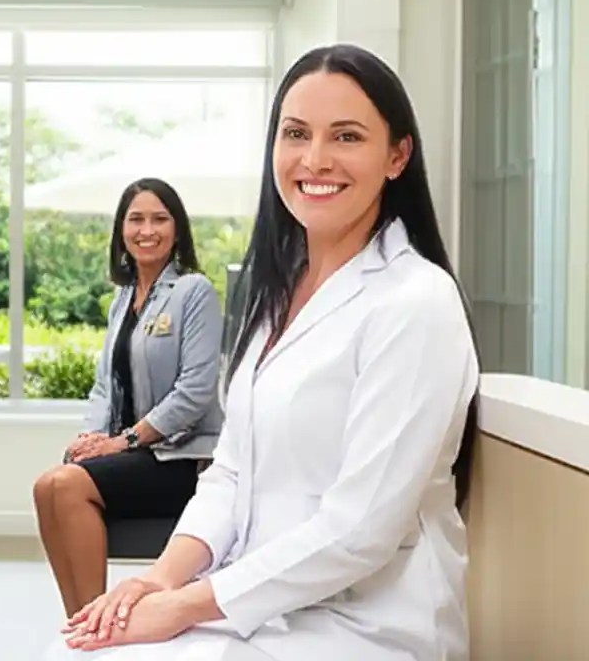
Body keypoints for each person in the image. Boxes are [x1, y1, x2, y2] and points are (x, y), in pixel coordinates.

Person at [48, 44, 481, 661]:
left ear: (397, 156)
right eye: (296, 133)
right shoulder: (275, 298)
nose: (315, 159)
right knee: (75, 650)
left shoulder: (415, 302)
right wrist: (158, 580)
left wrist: (184, 606)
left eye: (347, 136)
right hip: (255, 606)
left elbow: (360, 531)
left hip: (364, 625)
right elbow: (231, 471)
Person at [33, 177, 224, 618]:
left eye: (160, 219)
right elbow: (105, 384)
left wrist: (123, 442)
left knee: (64, 484)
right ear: (121, 230)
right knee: (48, 487)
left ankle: (96, 627)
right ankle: (84, 623)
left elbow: (194, 392)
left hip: (181, 457)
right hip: (135, 452)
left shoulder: (194, 291)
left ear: (178, 230)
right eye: (136, 219)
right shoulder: (123, 298)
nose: (147, 230)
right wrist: (92, 438)